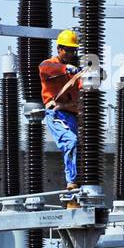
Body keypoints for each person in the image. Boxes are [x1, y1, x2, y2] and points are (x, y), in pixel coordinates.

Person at [39, 30, 82, 196]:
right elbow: (45, 68)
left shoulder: (74, 72)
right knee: (70, 142)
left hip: (72, 115)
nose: (71, 53)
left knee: (80, 146)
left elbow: (80, 89)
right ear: (59, 49)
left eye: (73, 50)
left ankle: (78, 184)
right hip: (56, 115)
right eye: (68, 50)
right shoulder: (51, 66)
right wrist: (65, 69)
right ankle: (71, 182)